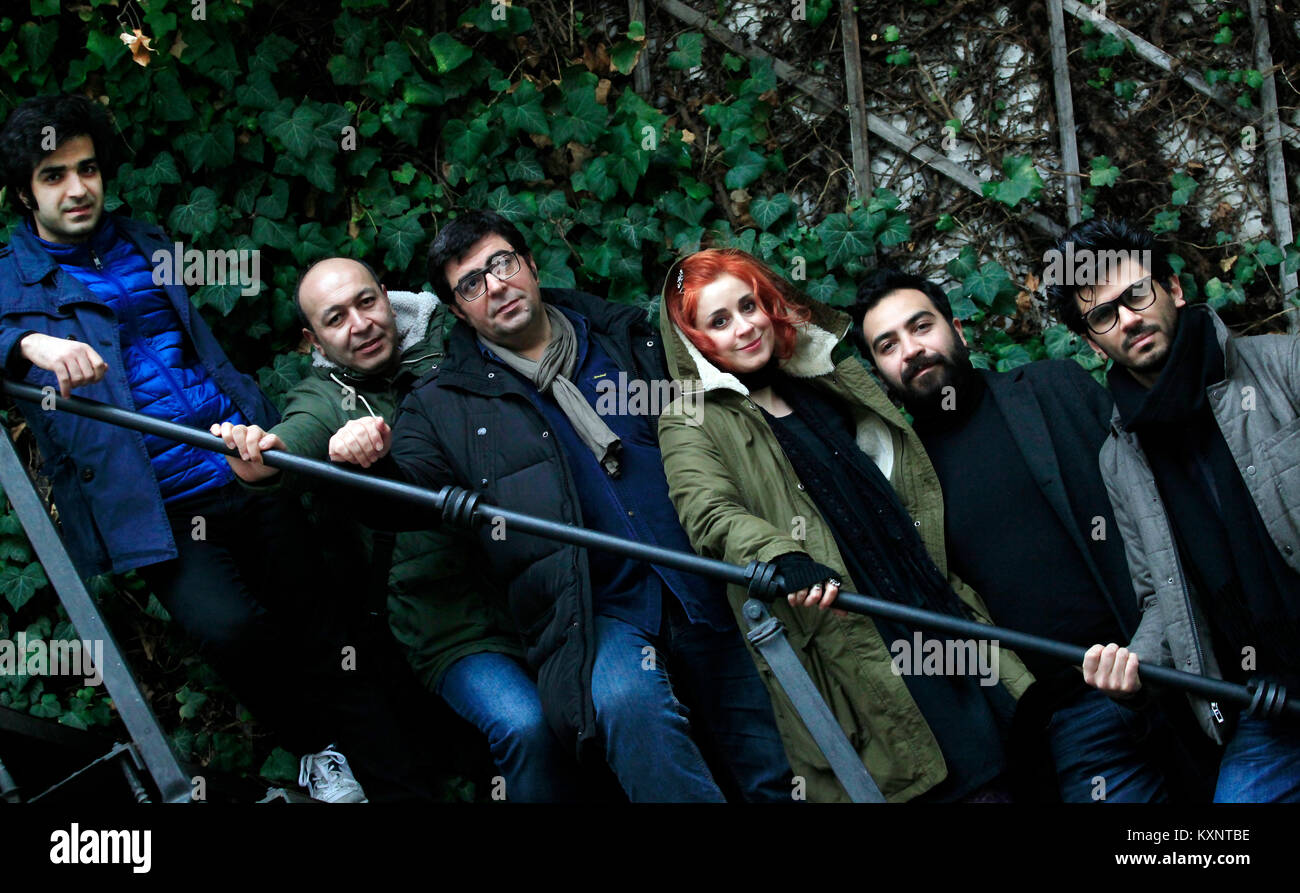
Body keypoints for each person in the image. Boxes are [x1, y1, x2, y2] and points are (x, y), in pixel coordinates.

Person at [0, 94, 431, 803]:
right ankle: (317, 750)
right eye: (54, 175)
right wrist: (29, 341)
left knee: (325, 626)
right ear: (25, 191)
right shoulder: (13, 281)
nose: (78, 188)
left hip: (243, 458)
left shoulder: (142, 238)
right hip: (157, 505)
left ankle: (405, 786)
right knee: (230, 630)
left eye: (87, 169)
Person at [336, 211, 793, 802]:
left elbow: (731, 409)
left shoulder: (629, 336)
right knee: (629, 705)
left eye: (501, 264)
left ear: (528, 263)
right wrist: (367, 465)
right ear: (455, 311)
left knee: (769, 767)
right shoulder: (443, 404)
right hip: (597, 615)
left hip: (705, 583)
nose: (495, 285)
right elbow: (403, 499)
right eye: (470, 284)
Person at [657, 248, 1034, 802]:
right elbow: (709, 513)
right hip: (856, 640)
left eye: (749, 306)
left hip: (932, 606)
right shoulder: (688, 416)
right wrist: (779, 555)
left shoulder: (822, 375)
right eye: (719, 321)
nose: (744, 327)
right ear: (694, 340)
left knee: (1023, 759)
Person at [212, 256, 582, 802]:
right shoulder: (324, 401)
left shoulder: (458, 341)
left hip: (544, 582)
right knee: (524, 725)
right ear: (313, 339)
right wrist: (259, 459)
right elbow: (290, 445)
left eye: (366, 303)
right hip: (447, 623)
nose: (360, 324)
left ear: (388, 296)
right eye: (336, 319)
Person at [853, 268, 1189, 803]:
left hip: (1175, 672)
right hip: (1072, 723)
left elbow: (1163, 493)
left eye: (921, 327)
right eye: (888, 344)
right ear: (879, 373)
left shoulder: (1055, 387)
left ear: (958, 330)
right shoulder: (903, 489)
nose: (911, 350)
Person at [1046, 217, 1300, 802]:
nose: (1128, 318)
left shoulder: (1284, 368)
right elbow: (1162, 596)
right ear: (1091, 343)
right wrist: (1130, 668)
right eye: (1103, 315)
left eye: (1135, 293)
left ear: (1175, 289)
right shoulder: (1120, 458)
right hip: (1265, 707)